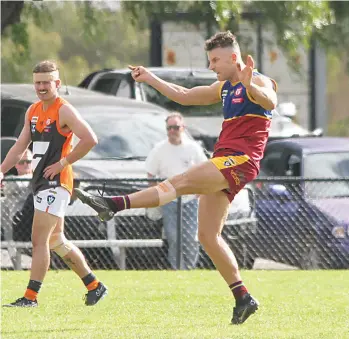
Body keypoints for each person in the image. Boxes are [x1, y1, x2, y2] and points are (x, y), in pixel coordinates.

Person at [75, 31, 278, 324]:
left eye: (215, 60)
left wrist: (251, 87)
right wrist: (149, 79)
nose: (211, 66)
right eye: (210, 61)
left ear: (234, 58)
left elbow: (269, 101)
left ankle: (114, 204)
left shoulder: (256, 80)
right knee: (208, 236)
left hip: (240, 161)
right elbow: (183, 96)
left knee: (179, 182)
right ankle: (243, 297)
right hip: (224, 159)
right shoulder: (223, 87)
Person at [0, 60, 107, 307]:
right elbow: (19, 146)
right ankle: (94, 285)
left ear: (57, 83)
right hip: (41, 182)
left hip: (56, 183)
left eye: (46, 82)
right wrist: (2, 170)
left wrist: (62, 163)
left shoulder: (64, 110)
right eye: (37, 82)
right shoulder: (33, 111)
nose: (41, 87)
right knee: (56, 241)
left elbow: (90, 139)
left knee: (38, 241)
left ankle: (30, 297)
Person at [146, 112, 207, 269]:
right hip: (169, 198)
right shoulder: (159, 149)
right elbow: (151, 173)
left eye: (175, 127)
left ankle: (189, 268)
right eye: (169, 128)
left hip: (190, 199)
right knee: (173, 236)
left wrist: (201, 190)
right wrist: (156, 194)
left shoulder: (193, 148)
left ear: (183, 128)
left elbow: (205, 169)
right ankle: (177, 269)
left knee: (190, 237)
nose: (172, 131)